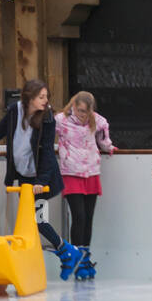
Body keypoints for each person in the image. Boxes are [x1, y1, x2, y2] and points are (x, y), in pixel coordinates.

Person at [0, 79, 82, 279]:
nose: (45, 101)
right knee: (31, 220)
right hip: (24, 178)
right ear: (29, 97)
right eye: (41, 97)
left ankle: (66, 251)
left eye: (46, 97)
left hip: (42, 180)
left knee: (36, 219)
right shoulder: (14, 112)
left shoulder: (47, 117)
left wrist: (41, 182)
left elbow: (48, 152)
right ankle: (65, 252)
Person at [56, 91, 117, 281]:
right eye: (79, 110)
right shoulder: (61, 120)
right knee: (79, 215)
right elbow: (47, 133)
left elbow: (103, 139)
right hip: (71, 171)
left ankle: (85, 257)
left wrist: (109, 147)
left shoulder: (97, 121)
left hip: (91, 171)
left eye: (85, 111)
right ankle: (77, 257)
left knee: (89, 217)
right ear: (73, 106)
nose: (82, 114)